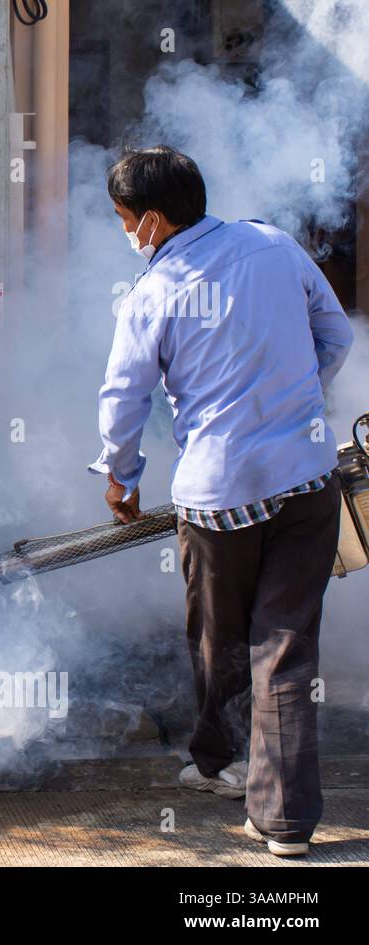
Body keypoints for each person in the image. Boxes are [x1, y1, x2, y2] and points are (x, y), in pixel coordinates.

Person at [90, 145, 354, 857]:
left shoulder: (152, 292)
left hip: (220, 498)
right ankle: (283, 823)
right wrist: (297, 399)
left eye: (122, 220)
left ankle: (222, 763)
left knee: (220, 638)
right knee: (287, 650)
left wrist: (121, 477)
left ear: (149, 221)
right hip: (306, 480)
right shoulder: (273, 244)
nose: (124, 234)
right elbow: (336, 333)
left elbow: (123, 400)